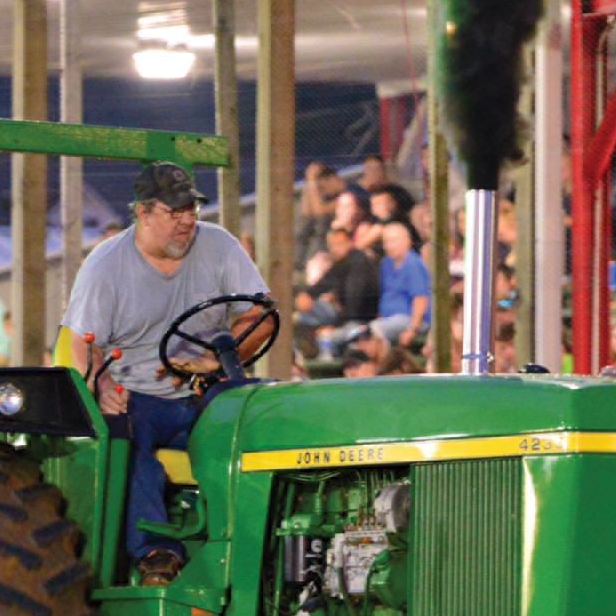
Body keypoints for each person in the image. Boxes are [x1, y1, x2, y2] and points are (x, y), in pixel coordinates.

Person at [63, 162, 271, 584]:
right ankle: (156, 553)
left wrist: (217, 359)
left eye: (191, 210)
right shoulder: (106, 265)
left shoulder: (219, 246)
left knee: (262, 414)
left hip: (204, 390)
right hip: (138, 396)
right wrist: (102, 385)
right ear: (142, 213)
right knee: (126, 438)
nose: (187, 221)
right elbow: (81, 344)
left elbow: (259, 316)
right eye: (175, 212)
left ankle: (256, 543)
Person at [297, 223, 381, 358]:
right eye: (332, 245)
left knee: (327, 339)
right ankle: (306, 353)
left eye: (339, 244)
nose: (335, 249)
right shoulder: (340, 263)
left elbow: (355, 306)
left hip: (360, 321)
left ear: (349, 243)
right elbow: (324, 283)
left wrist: (334, 326)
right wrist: (307, 294)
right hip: (343, 316)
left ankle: (327, 365)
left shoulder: (359, 263)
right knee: (303, 312)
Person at [369, 220, 430, 350]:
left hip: (410, 319)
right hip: (388, 319)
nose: (389, 246)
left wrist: (412, 329)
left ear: (407, 241)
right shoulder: (385, 264)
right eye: (386, 241)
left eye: (393, 240)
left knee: (373, 330)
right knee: (358, 333)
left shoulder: (413, 263)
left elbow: (420, 299)